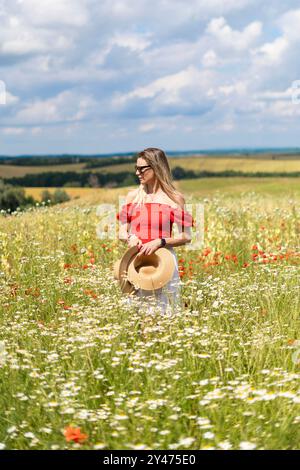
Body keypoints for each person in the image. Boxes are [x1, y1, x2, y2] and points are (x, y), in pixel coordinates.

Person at [116, 147, 195, 316]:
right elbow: (121, 232)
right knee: (137, 316)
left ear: (156, 167)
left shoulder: (175, 199)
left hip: (163, 263)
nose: (137, 173)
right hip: (136, 263)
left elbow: (186, 236)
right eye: (135, 168)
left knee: (166, 313)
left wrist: (161, 241)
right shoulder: (133, 197)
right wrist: (130, 237)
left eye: (141, 169)